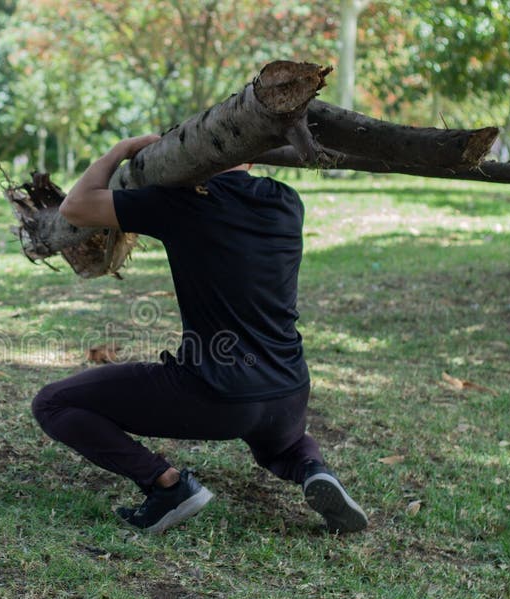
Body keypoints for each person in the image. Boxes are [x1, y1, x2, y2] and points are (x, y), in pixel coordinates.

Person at [30, 134, 368, 535]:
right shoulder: (287, 202)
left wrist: (121, 150)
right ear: (253, 160)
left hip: (217, 395)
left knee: (52, 403)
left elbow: (77, 207)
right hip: (288, 390)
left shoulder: (183, 203)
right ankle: (312, 468)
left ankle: (166, 485)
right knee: (284, 445)